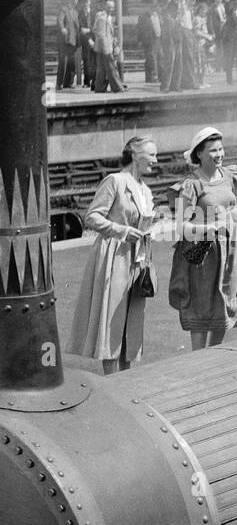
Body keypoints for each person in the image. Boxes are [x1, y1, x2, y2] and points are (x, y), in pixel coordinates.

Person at [69, 136, 158, 373]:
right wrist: (122, 230)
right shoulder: (115, 181)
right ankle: (111, 378)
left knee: (132, 320)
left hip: (138, 258)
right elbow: (92, 217)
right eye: (151, 155)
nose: (156, 160)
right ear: (135, 155)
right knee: (113, 319)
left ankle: (125, 380)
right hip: (114, 256)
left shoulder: (145, 190)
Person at [167, 127, 237, 349]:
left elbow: (228, 211)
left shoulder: (228, 177)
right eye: (213, 151)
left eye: (221, 149)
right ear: (199, 154)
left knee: (225, 302)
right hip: (202, 254)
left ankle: (215, 355)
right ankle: (198, 359)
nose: (219, 154)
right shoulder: (191, 184)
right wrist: (209, 227)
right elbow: (181, 226)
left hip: (229, 251)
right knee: (201, 306)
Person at [91, 1, 124, 92]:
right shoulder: (102, 17)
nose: (111, 9)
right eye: (110, 7)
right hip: (105, 47)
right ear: (105, 7)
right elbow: (101, 34)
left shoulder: (108, 17)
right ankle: (117, 88)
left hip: (103, 46)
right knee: (112, 67)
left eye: (112, 8)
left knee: (101, 68)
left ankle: (99, 88)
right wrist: (106, 49)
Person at [56, 0, 79, 89]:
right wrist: (62, 28)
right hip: (65, 40)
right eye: (73, 0)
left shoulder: (76, 11)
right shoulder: (64, 9)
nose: (75, 2)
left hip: (73, 41)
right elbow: (60, 20)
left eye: (76, 0)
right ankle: (59, 84)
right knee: (63, 63)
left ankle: (69, 83)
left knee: (72, 63)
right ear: (70, 0)